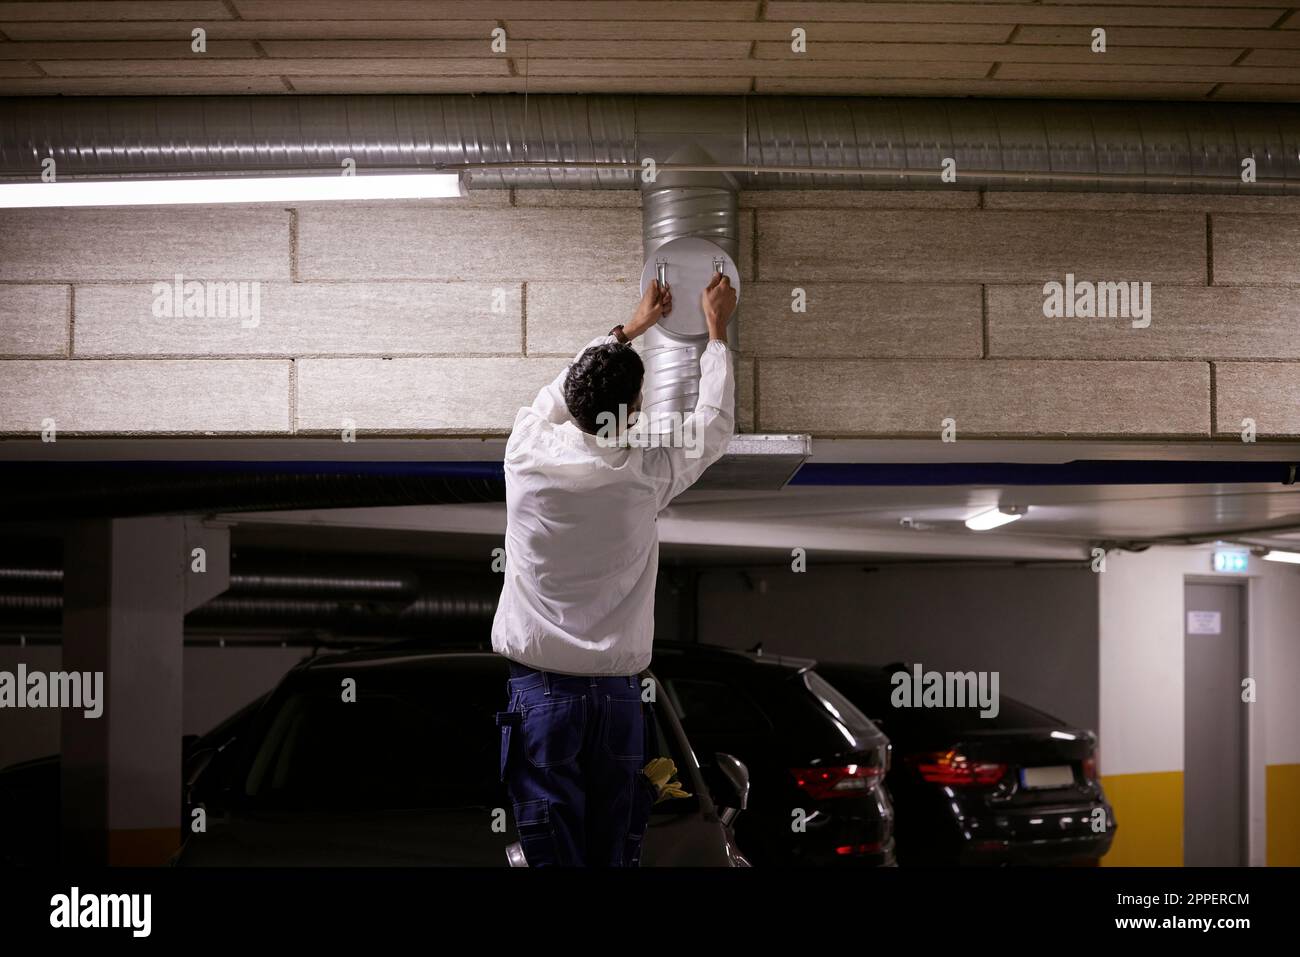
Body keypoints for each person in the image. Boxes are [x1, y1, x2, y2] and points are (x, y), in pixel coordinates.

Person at [492, 272, 738, 866]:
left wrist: (629, 329)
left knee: (553, 856)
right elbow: (714, 424)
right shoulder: (643, 472)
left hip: (541, 697)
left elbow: (561, 392)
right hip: (619, 700)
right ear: (632, 412)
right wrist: (716, 332)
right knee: (616, 855)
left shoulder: (525, 449)